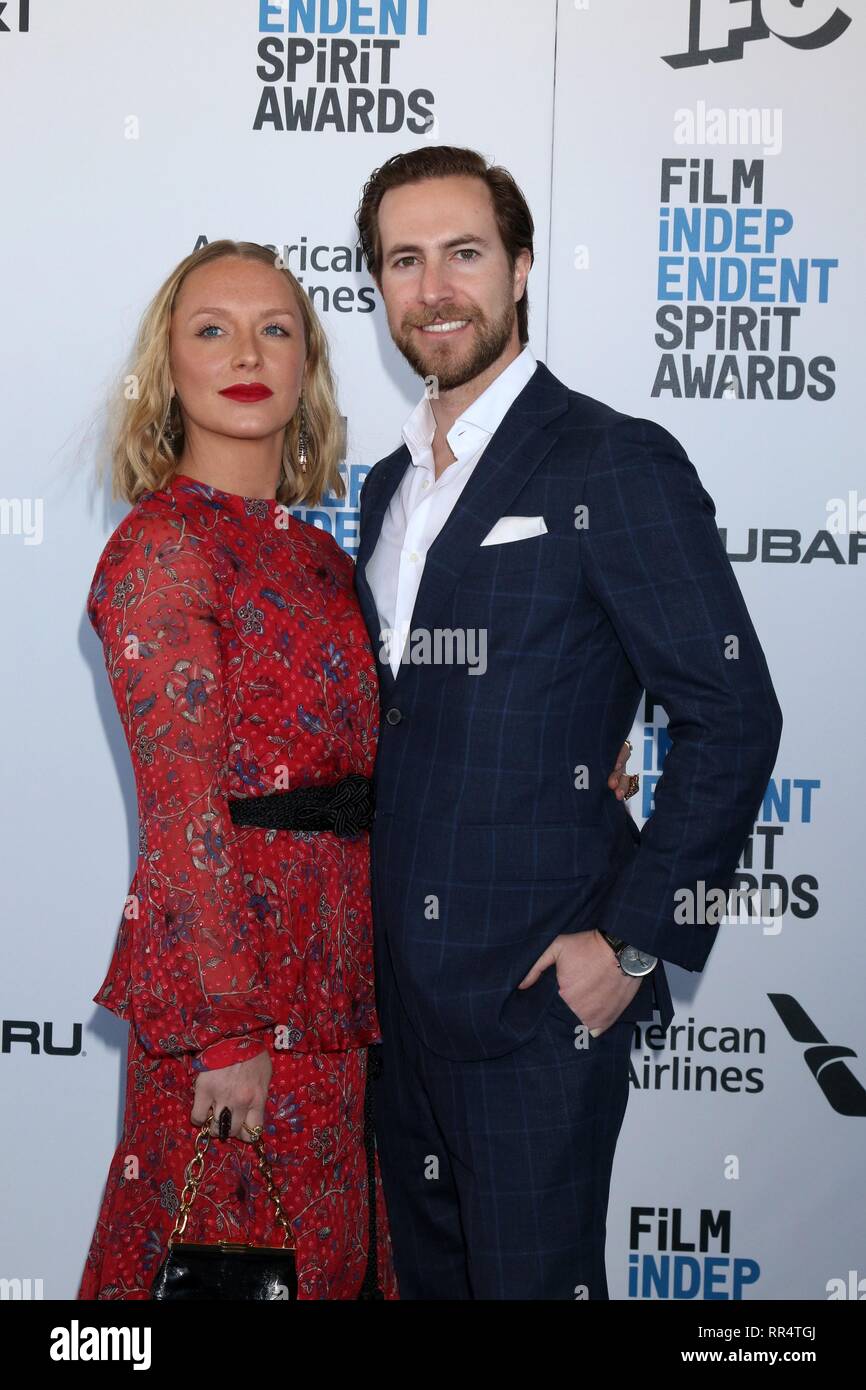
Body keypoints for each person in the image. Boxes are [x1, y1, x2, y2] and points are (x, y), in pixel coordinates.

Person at [352, 146, 783, 1300]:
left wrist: (631, 943)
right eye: (404, 260)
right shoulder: (384, 490)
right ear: (378, 286)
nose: (434, 286)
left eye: (463, 253)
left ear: (521, 266)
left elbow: (729, 711)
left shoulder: (609, 457)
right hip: (393, 1011)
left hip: (538, 1003)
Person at [78, 239, 397, 1300]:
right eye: (210, 328)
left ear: (307, 365)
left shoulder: (316, 555)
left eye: (276, 328)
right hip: (237, 1006)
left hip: (342, 990)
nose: (246, 351)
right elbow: (182, 814)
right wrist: (230, 1028)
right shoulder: (164, 549)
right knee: (222, 1265)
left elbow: (374, 767)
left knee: (326, 1269)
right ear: (168, 368)